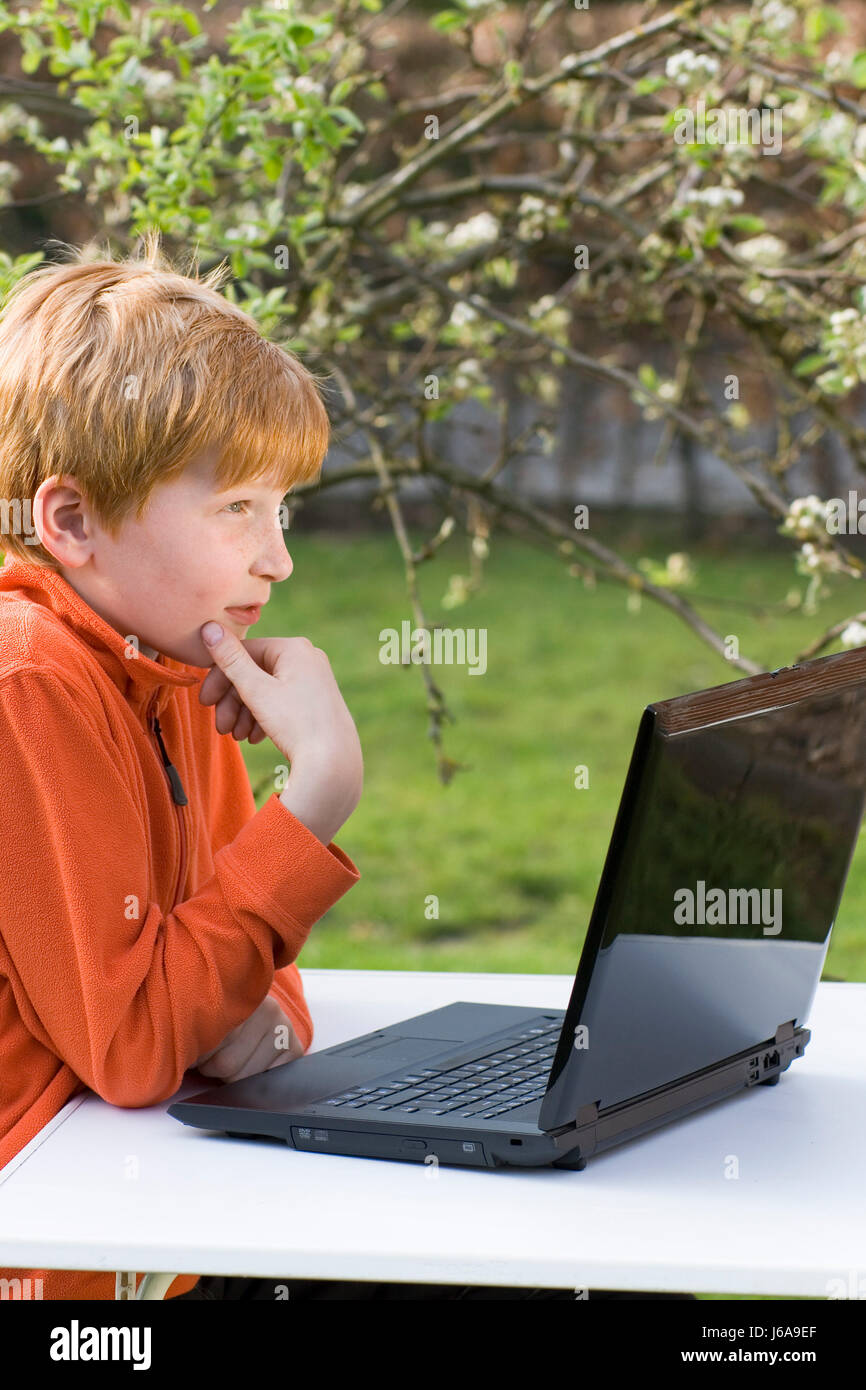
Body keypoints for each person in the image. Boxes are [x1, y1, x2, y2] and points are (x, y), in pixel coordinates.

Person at [0, 232, 694, 1303]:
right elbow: (137, 1047)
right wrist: (313, 797)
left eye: (281, 509)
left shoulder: (176, 664)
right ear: (73, 519)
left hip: (174, 1214)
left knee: (600, 1267)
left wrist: (242, 1015)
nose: (275, 557)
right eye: (236, 508)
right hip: (86, 1278)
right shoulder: (28, 683)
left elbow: (263, 1002)